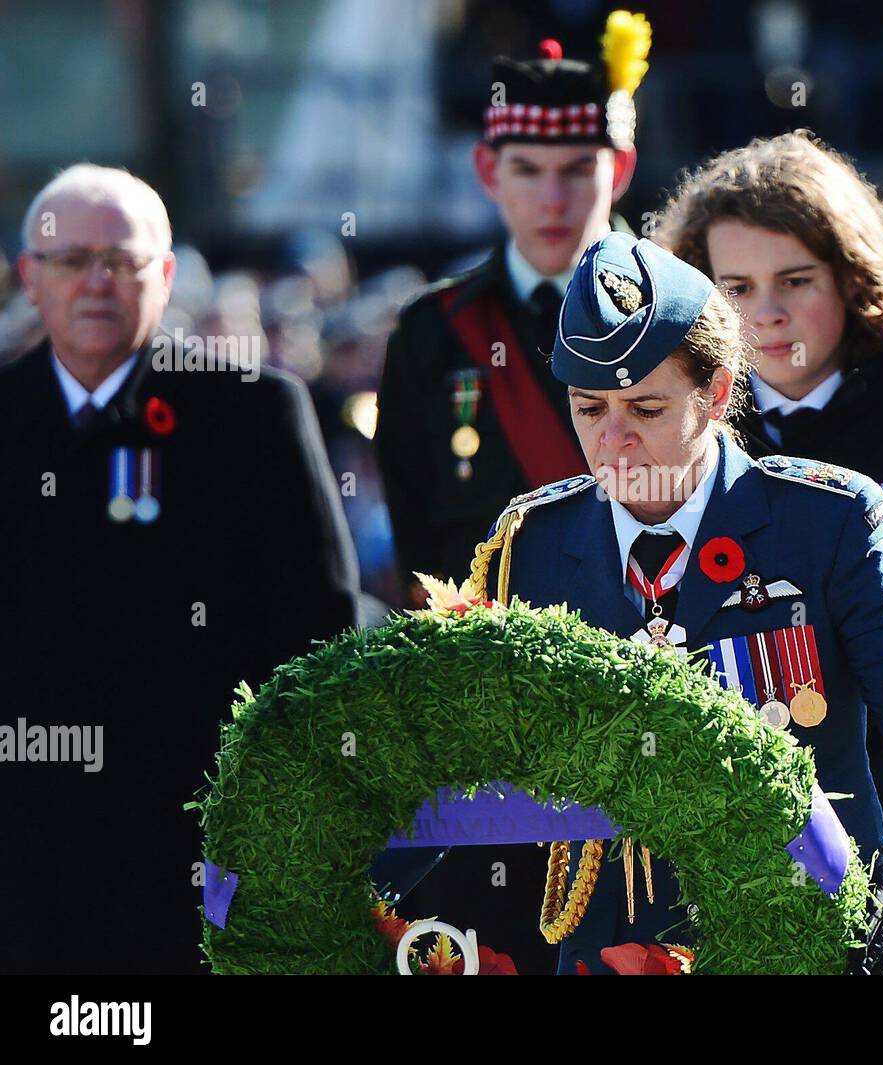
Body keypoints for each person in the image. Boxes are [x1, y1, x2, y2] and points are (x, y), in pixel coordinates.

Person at [483, 231, 883, 975]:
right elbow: (468, 767)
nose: (614, 443)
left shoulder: (824, 522)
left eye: (646, 409)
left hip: (819, 946)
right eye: (590, 409)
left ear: (718, 392)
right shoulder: (530, 546)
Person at [653, 131, 883, 974]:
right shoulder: (662, 428)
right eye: (735, 287)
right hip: (700, 882)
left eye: (796, 281)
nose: (768, 313)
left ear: (852, 281)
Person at [0, 164, 360, 974]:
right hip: (27, 851)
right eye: (71, 259)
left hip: (199, 841)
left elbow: (317, 634)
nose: (96, 281)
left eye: (122, 260)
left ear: (164, 274)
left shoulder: (251, 412)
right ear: (30, 275)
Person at [371, 12, 652, 974]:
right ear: (489, 174)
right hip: (488, 712)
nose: (554, 194)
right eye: (528, 168)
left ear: (621, 166)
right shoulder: (431, 333)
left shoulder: (683, 318)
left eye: (579, 166)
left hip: (650, 699)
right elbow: (418, 550)